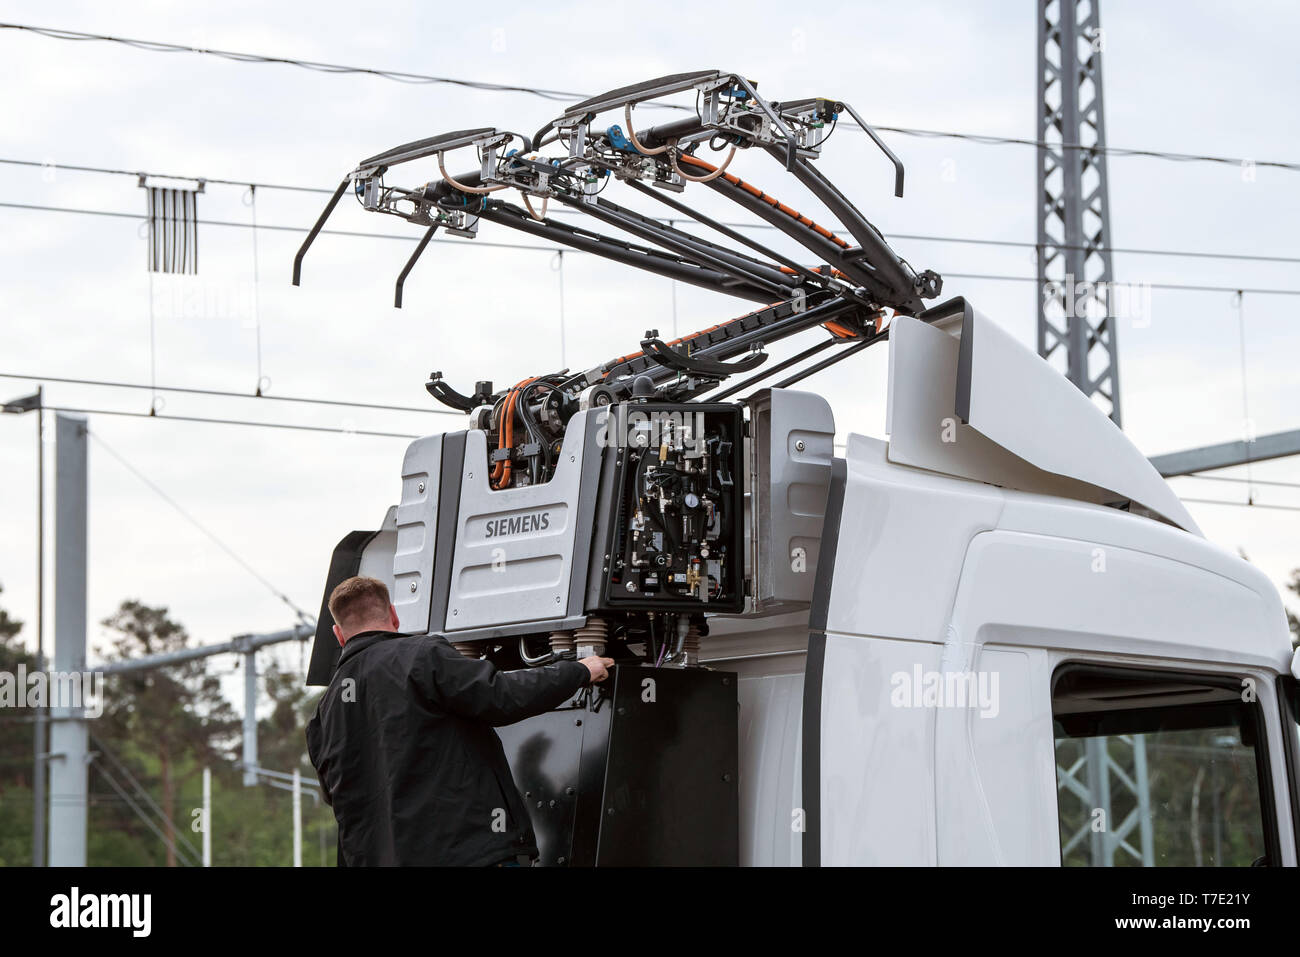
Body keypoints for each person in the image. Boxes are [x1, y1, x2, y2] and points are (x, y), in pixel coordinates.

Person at [305, 575, 612, 866]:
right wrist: (579, 671)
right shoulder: (421, 656)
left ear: (339, 634)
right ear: (394, 616)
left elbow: (339, 796)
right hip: (466, 855)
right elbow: (501, 697)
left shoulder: (323, 716)